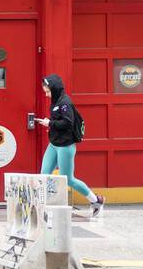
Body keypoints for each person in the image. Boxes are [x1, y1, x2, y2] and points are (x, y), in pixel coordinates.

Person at [35, 74, 104, 218]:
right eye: (45, 92)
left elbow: (68, 123)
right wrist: (50, 122)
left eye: (48, 92)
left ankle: (96, 200)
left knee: (68, 179)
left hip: (65, 146)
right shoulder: (55, 102)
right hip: (53, 144)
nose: (47, 95)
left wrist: (50, 123)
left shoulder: (65, 103)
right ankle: (43, 207)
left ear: (55, 89)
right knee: (44, 175)